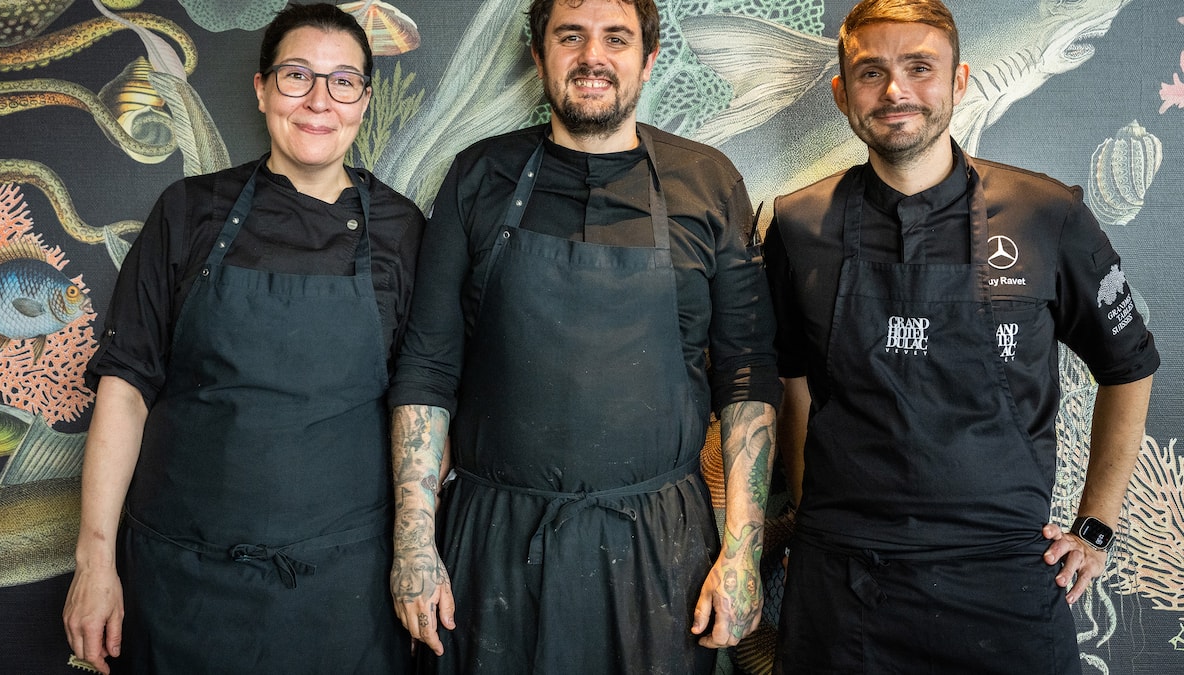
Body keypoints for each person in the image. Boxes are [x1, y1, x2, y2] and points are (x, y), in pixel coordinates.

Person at [763, 0, 1159, 672]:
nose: (896, 91)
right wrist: (814, 513)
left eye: (920, 68)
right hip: (843, 592)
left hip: (1004, 580)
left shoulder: (1047, 213)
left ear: (959, 80)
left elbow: (1128, 365)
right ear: (840, 93)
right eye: (870, 73)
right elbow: (792, 380)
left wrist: (1095, 527)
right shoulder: (797, 225)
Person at [386, 0, 780, 672]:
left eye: (616, 38)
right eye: (570, 36)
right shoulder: (477, 177)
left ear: (649, 59)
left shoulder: (708, 183)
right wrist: (414, 545)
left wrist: (742, 549)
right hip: (493, 544)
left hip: (659, 554)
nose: (593, 56)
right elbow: (426, 369)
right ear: (539, 56)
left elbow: (746, 376)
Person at [61, 4, 424, 673]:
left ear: (364, 101)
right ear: (261, 89)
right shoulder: (187, 212)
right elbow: (126, 386)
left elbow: (420, 405)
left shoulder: (403, 231)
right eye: (296, 76)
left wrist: (416, 555)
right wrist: (95, 559)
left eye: (343, 81)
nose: (319, 100)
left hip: (342, 595)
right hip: (181, 587)